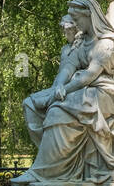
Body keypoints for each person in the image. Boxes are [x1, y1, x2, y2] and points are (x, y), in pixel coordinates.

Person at [13, 0, 114, 184]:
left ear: (89, 16)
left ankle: (44, 172)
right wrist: (57, 86)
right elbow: (68, 67)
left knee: (58, 111)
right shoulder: (81, 41)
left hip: (111, 92)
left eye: (76, 19)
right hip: (88, 89)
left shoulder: (107, 44)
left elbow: (89, 75)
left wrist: (63, 91)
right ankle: (57, 162)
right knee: (31, 104)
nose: (73, 24)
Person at [22, 14, 85, 142]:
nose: (65, 34)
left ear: (75, 30)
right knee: (27, 103)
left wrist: (62, 87)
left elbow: (78, 72)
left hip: (71, 90)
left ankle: (48, 144)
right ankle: (45, 144)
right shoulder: (65, 49)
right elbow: (66, 69)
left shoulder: (83, 46)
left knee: (37, 106)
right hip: (58, 86)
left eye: (67, 31)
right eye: (64, 31)